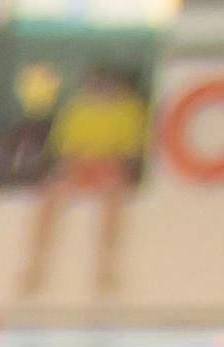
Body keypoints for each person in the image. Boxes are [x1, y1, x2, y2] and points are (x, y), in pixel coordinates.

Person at [23, 59, 149, 304]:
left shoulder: (129, 110)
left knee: (113, 199)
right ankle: (35, 267)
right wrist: (77, 161)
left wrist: (108, 161)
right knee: (50, 195)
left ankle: (106, 268)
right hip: (78, 166)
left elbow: (133, 152)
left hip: (110, 166)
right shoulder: (76, 108)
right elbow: (61, 149)